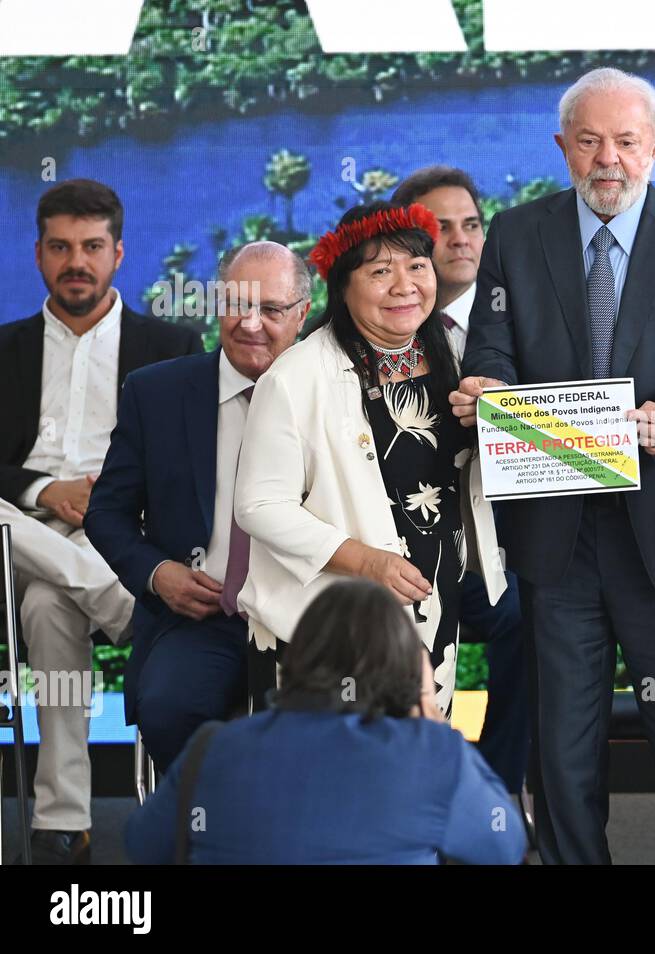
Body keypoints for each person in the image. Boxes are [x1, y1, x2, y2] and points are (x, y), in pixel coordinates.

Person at [451, 67, 655, 864]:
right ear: (562, 147)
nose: (606, 159)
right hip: (557, 535)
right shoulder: (516, 235)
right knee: (563, 744)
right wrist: (490, 388)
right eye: (588, 141)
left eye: (624, 141)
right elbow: (492, 348)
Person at [233, 201, 507, 714]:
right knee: (324, 777)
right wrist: (365, 560)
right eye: (380, 271)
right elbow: (259, 506)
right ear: (343, 285)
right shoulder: (294, 378)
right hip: (325, 620)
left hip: (431, 602)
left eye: (417, 266)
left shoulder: (454, 354)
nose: (404, 285)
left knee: (410, 767)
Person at [0, 179, 202, 864]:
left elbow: (185, 461)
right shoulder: (5, 349)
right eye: (60, 247)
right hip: (22, 527)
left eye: (91, 247)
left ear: (119, 252)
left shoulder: (171, 342)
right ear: (38, 255)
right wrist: (43, 490)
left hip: (124, 530)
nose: (75, 262)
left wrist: (110, 502)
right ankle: (126, 607)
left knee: (46, 603)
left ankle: (62, 818)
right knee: (28, 559)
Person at [84, 242, 310, 774]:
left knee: (332, 723)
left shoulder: (335, 393)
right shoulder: (155, 392)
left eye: (271, 309)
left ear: (301, 314)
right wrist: (158, 574)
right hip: (202, 618)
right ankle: (212, 832)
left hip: (307, 618)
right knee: (168, 709)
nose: (250, 323)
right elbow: (106, 513)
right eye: (236, 304)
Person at [124, 579, 526, 864]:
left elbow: (141, 846)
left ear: (300, 654)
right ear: (405, 674)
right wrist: (434, 723)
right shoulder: (433, 755)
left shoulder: (211, 749)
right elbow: (503, 846)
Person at [393, 166, 530, 794]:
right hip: (402, 550)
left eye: (471, 225)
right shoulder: (368, 334)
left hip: (510, 547)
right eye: (438, 228)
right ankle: (414, 798)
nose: (461, 240)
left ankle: (497, 798)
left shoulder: (524, 322)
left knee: (536, 619)